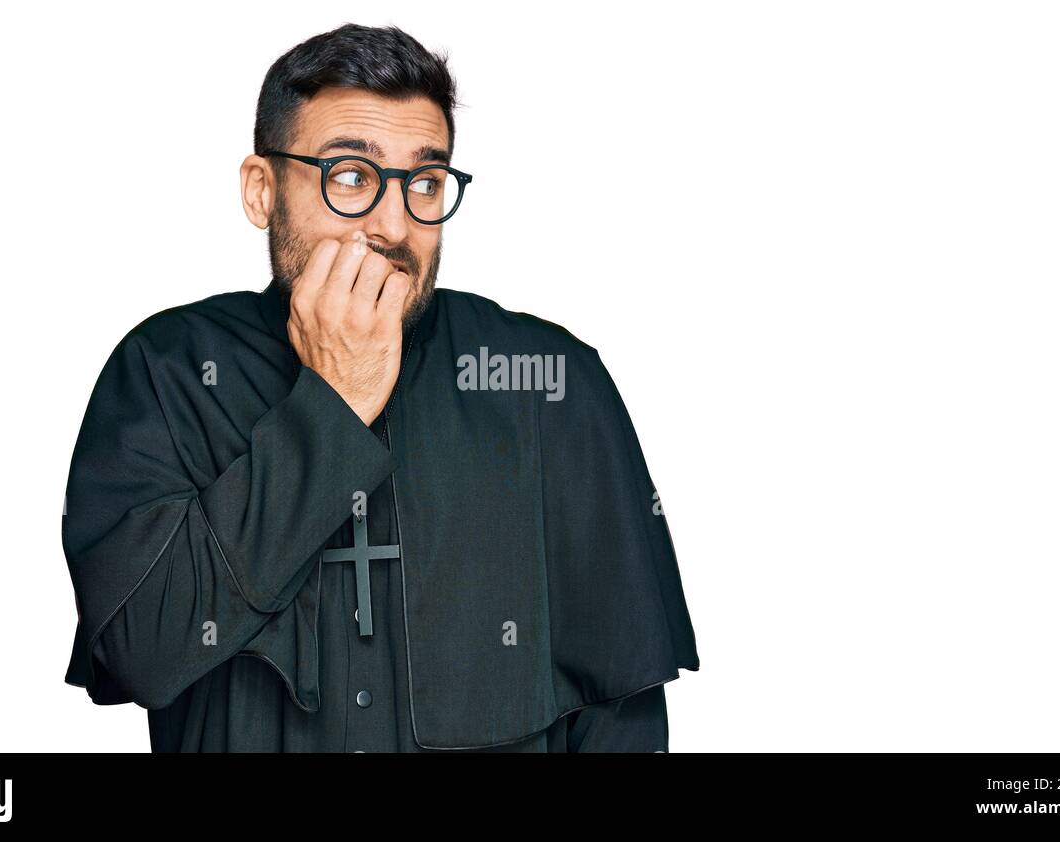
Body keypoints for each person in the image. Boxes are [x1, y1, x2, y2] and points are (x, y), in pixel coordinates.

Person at [61, 22, 698, 752]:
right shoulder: (164, 374)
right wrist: (333, 405)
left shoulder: (553, 386)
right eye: (352, 177)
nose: (395, 223)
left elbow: (623, 720)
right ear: (262, 191)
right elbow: (144, 651)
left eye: (425, 182)